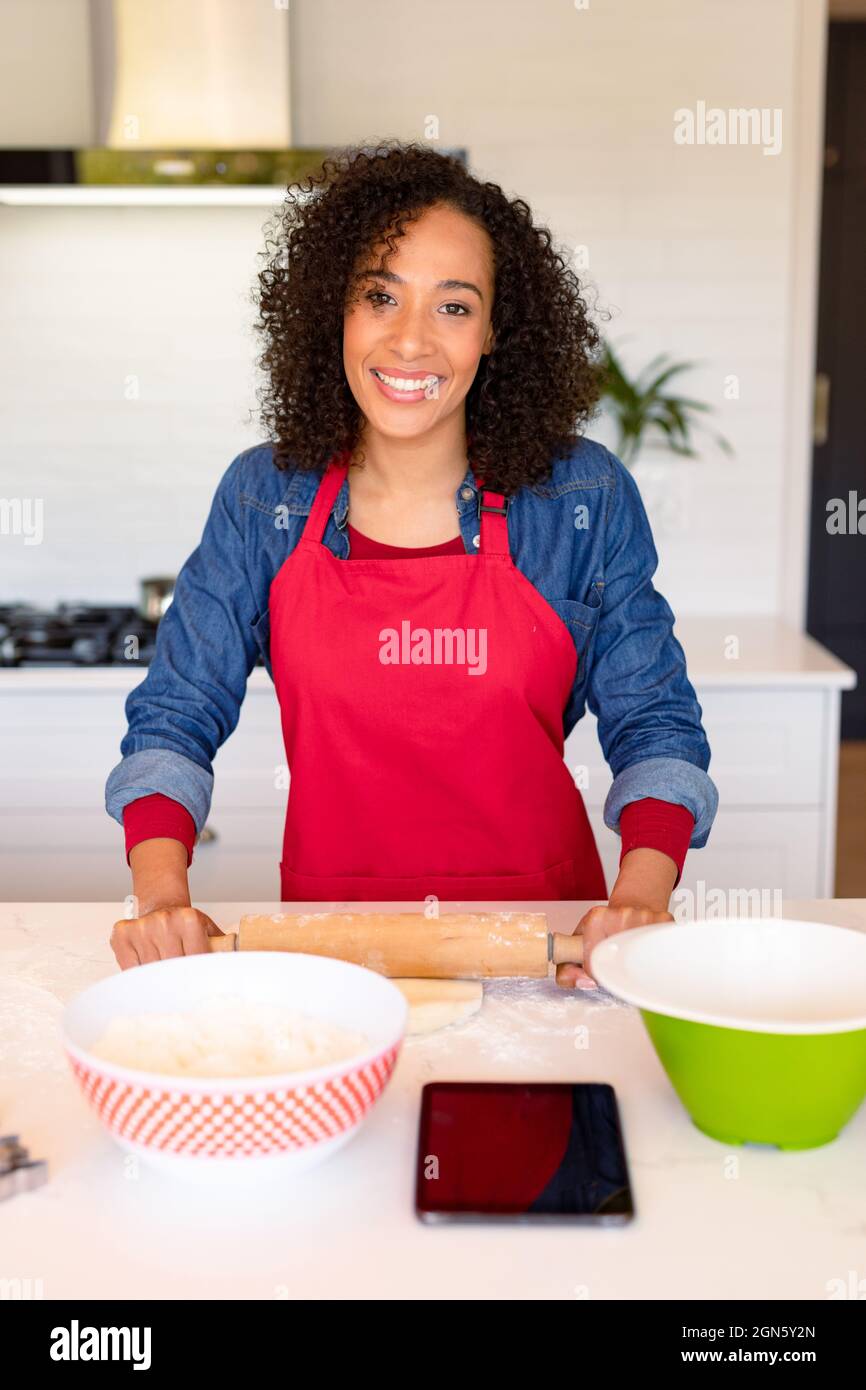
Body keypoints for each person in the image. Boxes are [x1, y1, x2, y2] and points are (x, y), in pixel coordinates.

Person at [105, 141, 717, 983]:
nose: (410, 342)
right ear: (337, 311)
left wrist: (640, 899)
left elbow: (656, 725)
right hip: (333, 958)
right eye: (380, 296)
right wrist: (160, 896)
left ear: (496, 329)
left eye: (454, 307)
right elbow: (177, 713)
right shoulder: (265, 500)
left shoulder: (580, 497)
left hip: (546, 955)